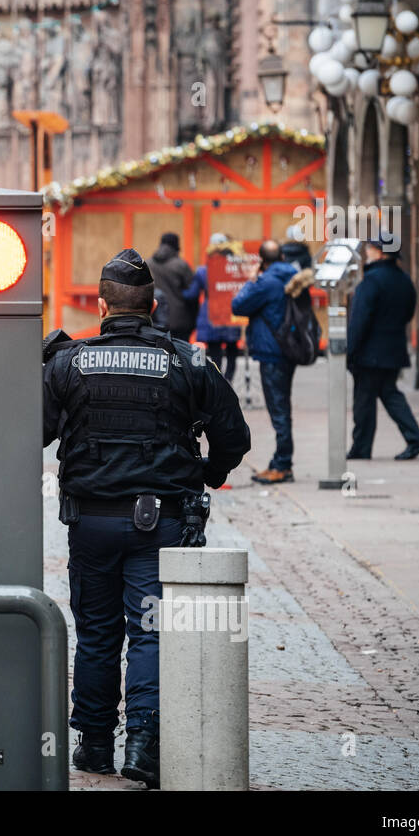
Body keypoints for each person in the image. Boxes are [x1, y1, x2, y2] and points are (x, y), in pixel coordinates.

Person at [43, 249, 250, 788]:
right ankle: (144, 744)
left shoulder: (70, 362)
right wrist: (210, 471)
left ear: (101, 305)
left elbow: (31, 432)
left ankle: (91, 744)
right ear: (154, 306)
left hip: (90, 523)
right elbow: (235, 435)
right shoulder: (188, 360)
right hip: (160, 525)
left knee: (95, 632)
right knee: (152, 632)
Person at [346, 232, 419, 461]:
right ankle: (416, 439)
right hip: (393, 348)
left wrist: (349, 351)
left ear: (381, 253)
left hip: (369, 352)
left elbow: (359, 320)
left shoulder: (371, 282)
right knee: (390, 394)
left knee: (364, 402)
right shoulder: (404, 280)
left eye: (371, 249)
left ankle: (361, 448)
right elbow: (409, 312)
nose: (367, 253)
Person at [231, 240, 308, 483]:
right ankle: (281, 461)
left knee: (279, 410)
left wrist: (252, 279)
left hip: (272, 352)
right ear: (282, 257)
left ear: (261, 260)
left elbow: (238, 305)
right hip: (289, 348)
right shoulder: (292, 276)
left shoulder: (266, 283)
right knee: (282, 408)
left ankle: (282, 465)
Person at [183, 260, 242, 382]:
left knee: (215, 352)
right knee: (232, 350)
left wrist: (178, 292)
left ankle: (218, 380)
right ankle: (229, 379)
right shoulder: (234, 271)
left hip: (211, 313)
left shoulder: (203, 271)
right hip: (229, 311)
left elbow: (192, 294)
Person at [149, 232, 196, 341]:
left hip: (154, 320)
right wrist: (193, 321)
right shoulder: (182, 266)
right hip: (180, 321)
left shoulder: (148, 264)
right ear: (177, 246)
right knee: (180, 355)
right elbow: (193, 295)